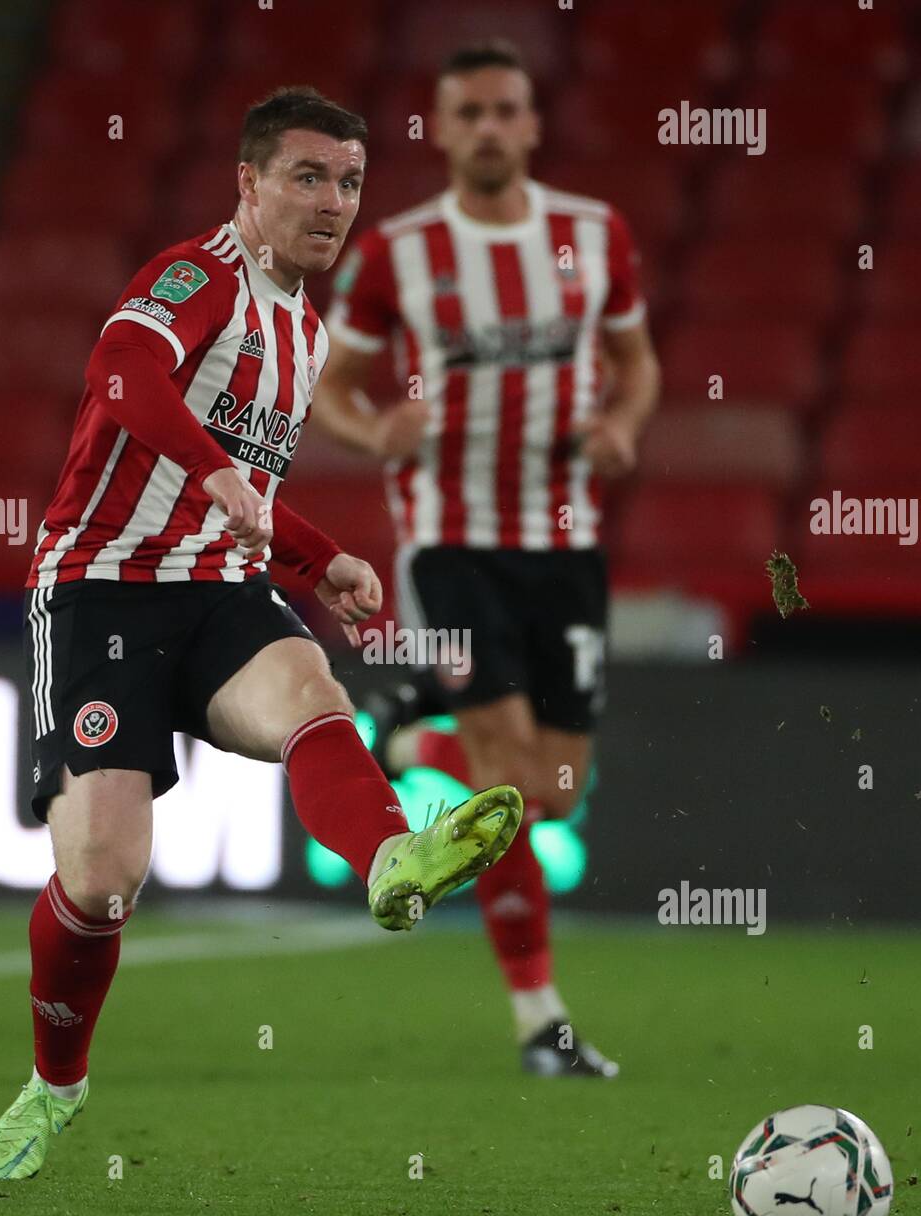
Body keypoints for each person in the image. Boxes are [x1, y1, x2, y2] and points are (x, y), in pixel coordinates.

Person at [0, 87, 522, 1181]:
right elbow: (119, 374)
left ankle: (390, 855)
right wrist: (221, 471)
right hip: (104, 590)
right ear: (249, 184)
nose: (331, 201)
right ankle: (55, 1084)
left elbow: (246, 498)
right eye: (307, 177)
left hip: (218, 588)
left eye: (350, 182)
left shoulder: (303, 330)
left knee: (311, 690)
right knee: (103, 877)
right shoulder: (197, 277)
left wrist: (326, 562)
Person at [311, 43, 660, 1077]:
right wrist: (374, 432)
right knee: (509, 779)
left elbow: (636, 364)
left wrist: (624, 426)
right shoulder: (396, 252)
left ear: (533, 123)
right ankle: (539, 1023)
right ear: (441, 129)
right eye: (467, 114)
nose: (490, 129)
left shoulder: (593, 236)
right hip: (451, 541)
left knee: (551, 792)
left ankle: (412, 734)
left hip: (564, 546)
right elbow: (333, 381)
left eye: (506, 109)